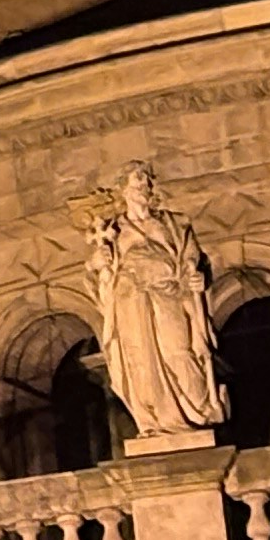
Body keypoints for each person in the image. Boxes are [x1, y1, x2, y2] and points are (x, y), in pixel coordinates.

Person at [86, 164, 223, 441]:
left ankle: (197, 413)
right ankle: (152, 422)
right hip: (131, 302)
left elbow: (192, 258)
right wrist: (95, 263)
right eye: (137, 184)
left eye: (147, 183)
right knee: (140, 360)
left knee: (181, 352)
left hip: (169, 295)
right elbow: (98, 280)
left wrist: (197, 276)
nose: (144, 189)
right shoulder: (113, 231)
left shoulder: (174, 223)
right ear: (123, 190)